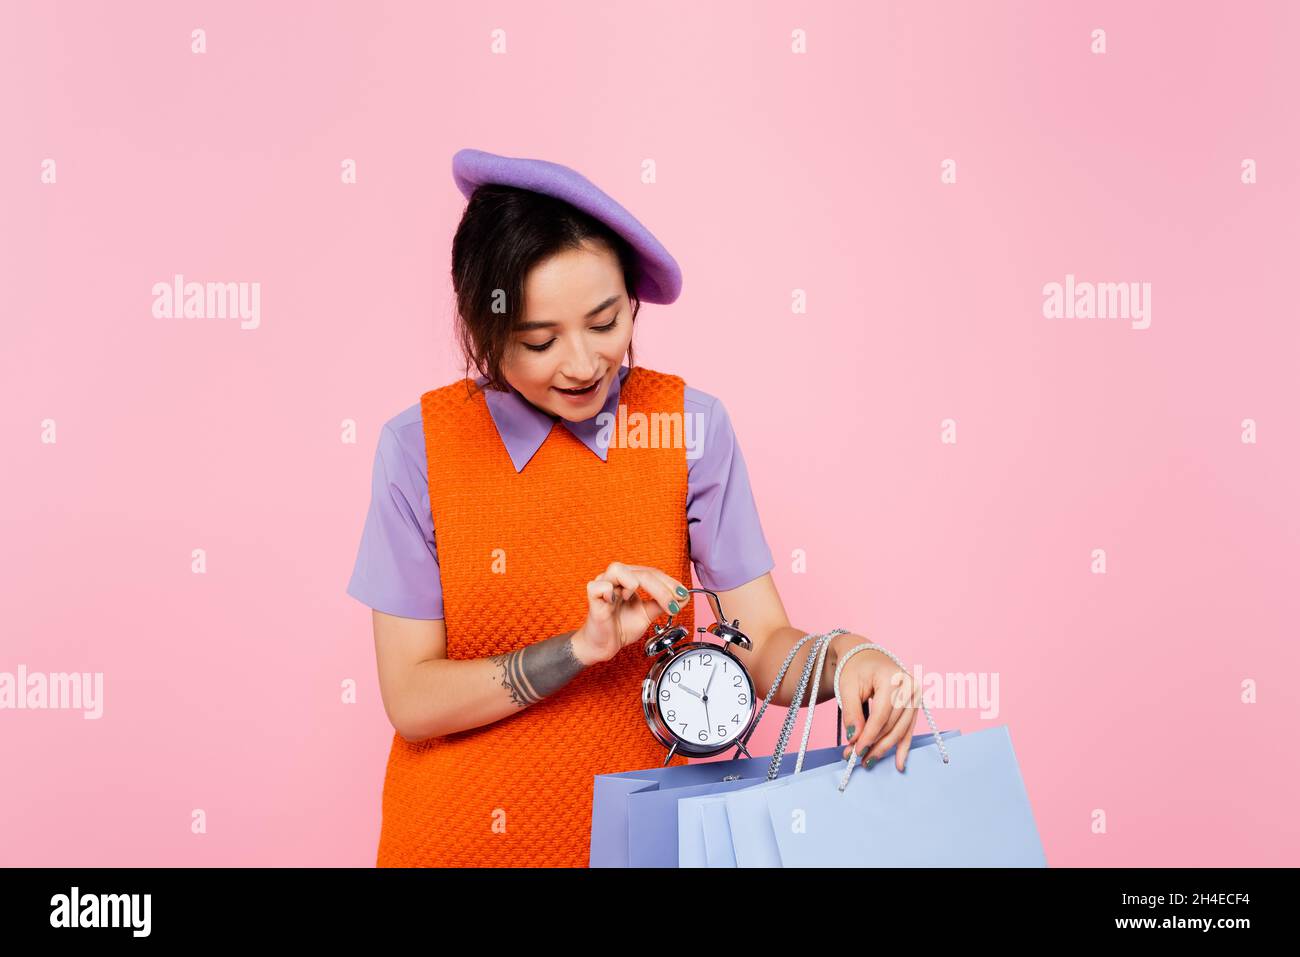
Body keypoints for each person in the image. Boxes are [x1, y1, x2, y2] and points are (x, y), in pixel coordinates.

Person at [345, 148, 922, 867]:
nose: (584, 363)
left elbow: (762, 643)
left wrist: (846, 659)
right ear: (484, 328)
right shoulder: (418, 449)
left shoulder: (689, 426)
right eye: (539, 340)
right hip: (457, 842)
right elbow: (411, 696)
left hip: (650, 847)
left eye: (605, 320)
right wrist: (579, 650)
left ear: (632, 299)